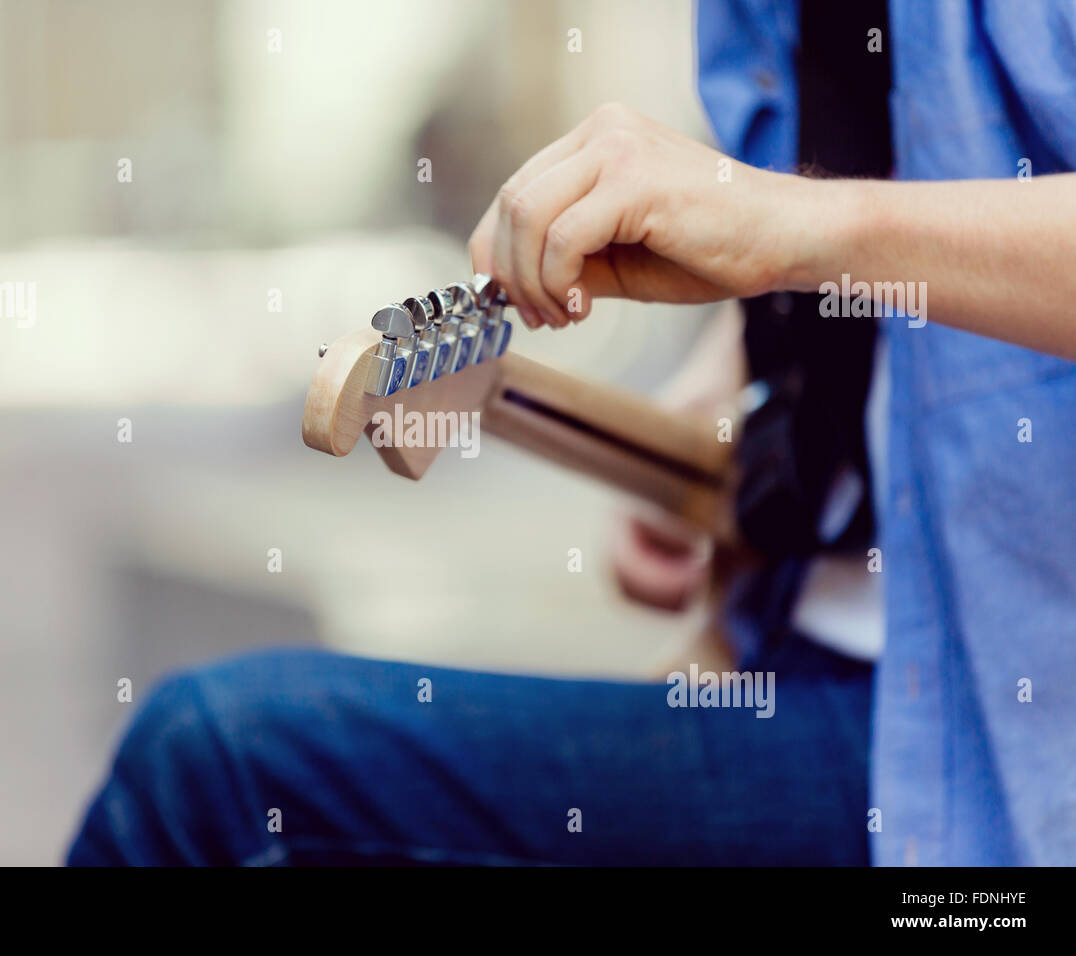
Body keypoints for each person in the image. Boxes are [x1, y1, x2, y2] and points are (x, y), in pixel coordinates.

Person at [67, 0, 1076, 866]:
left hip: (996, 754)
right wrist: (725, 400)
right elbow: (857, 225)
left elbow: (807, 227)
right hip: (799, 658)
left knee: (221, 766)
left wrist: (786, 225)